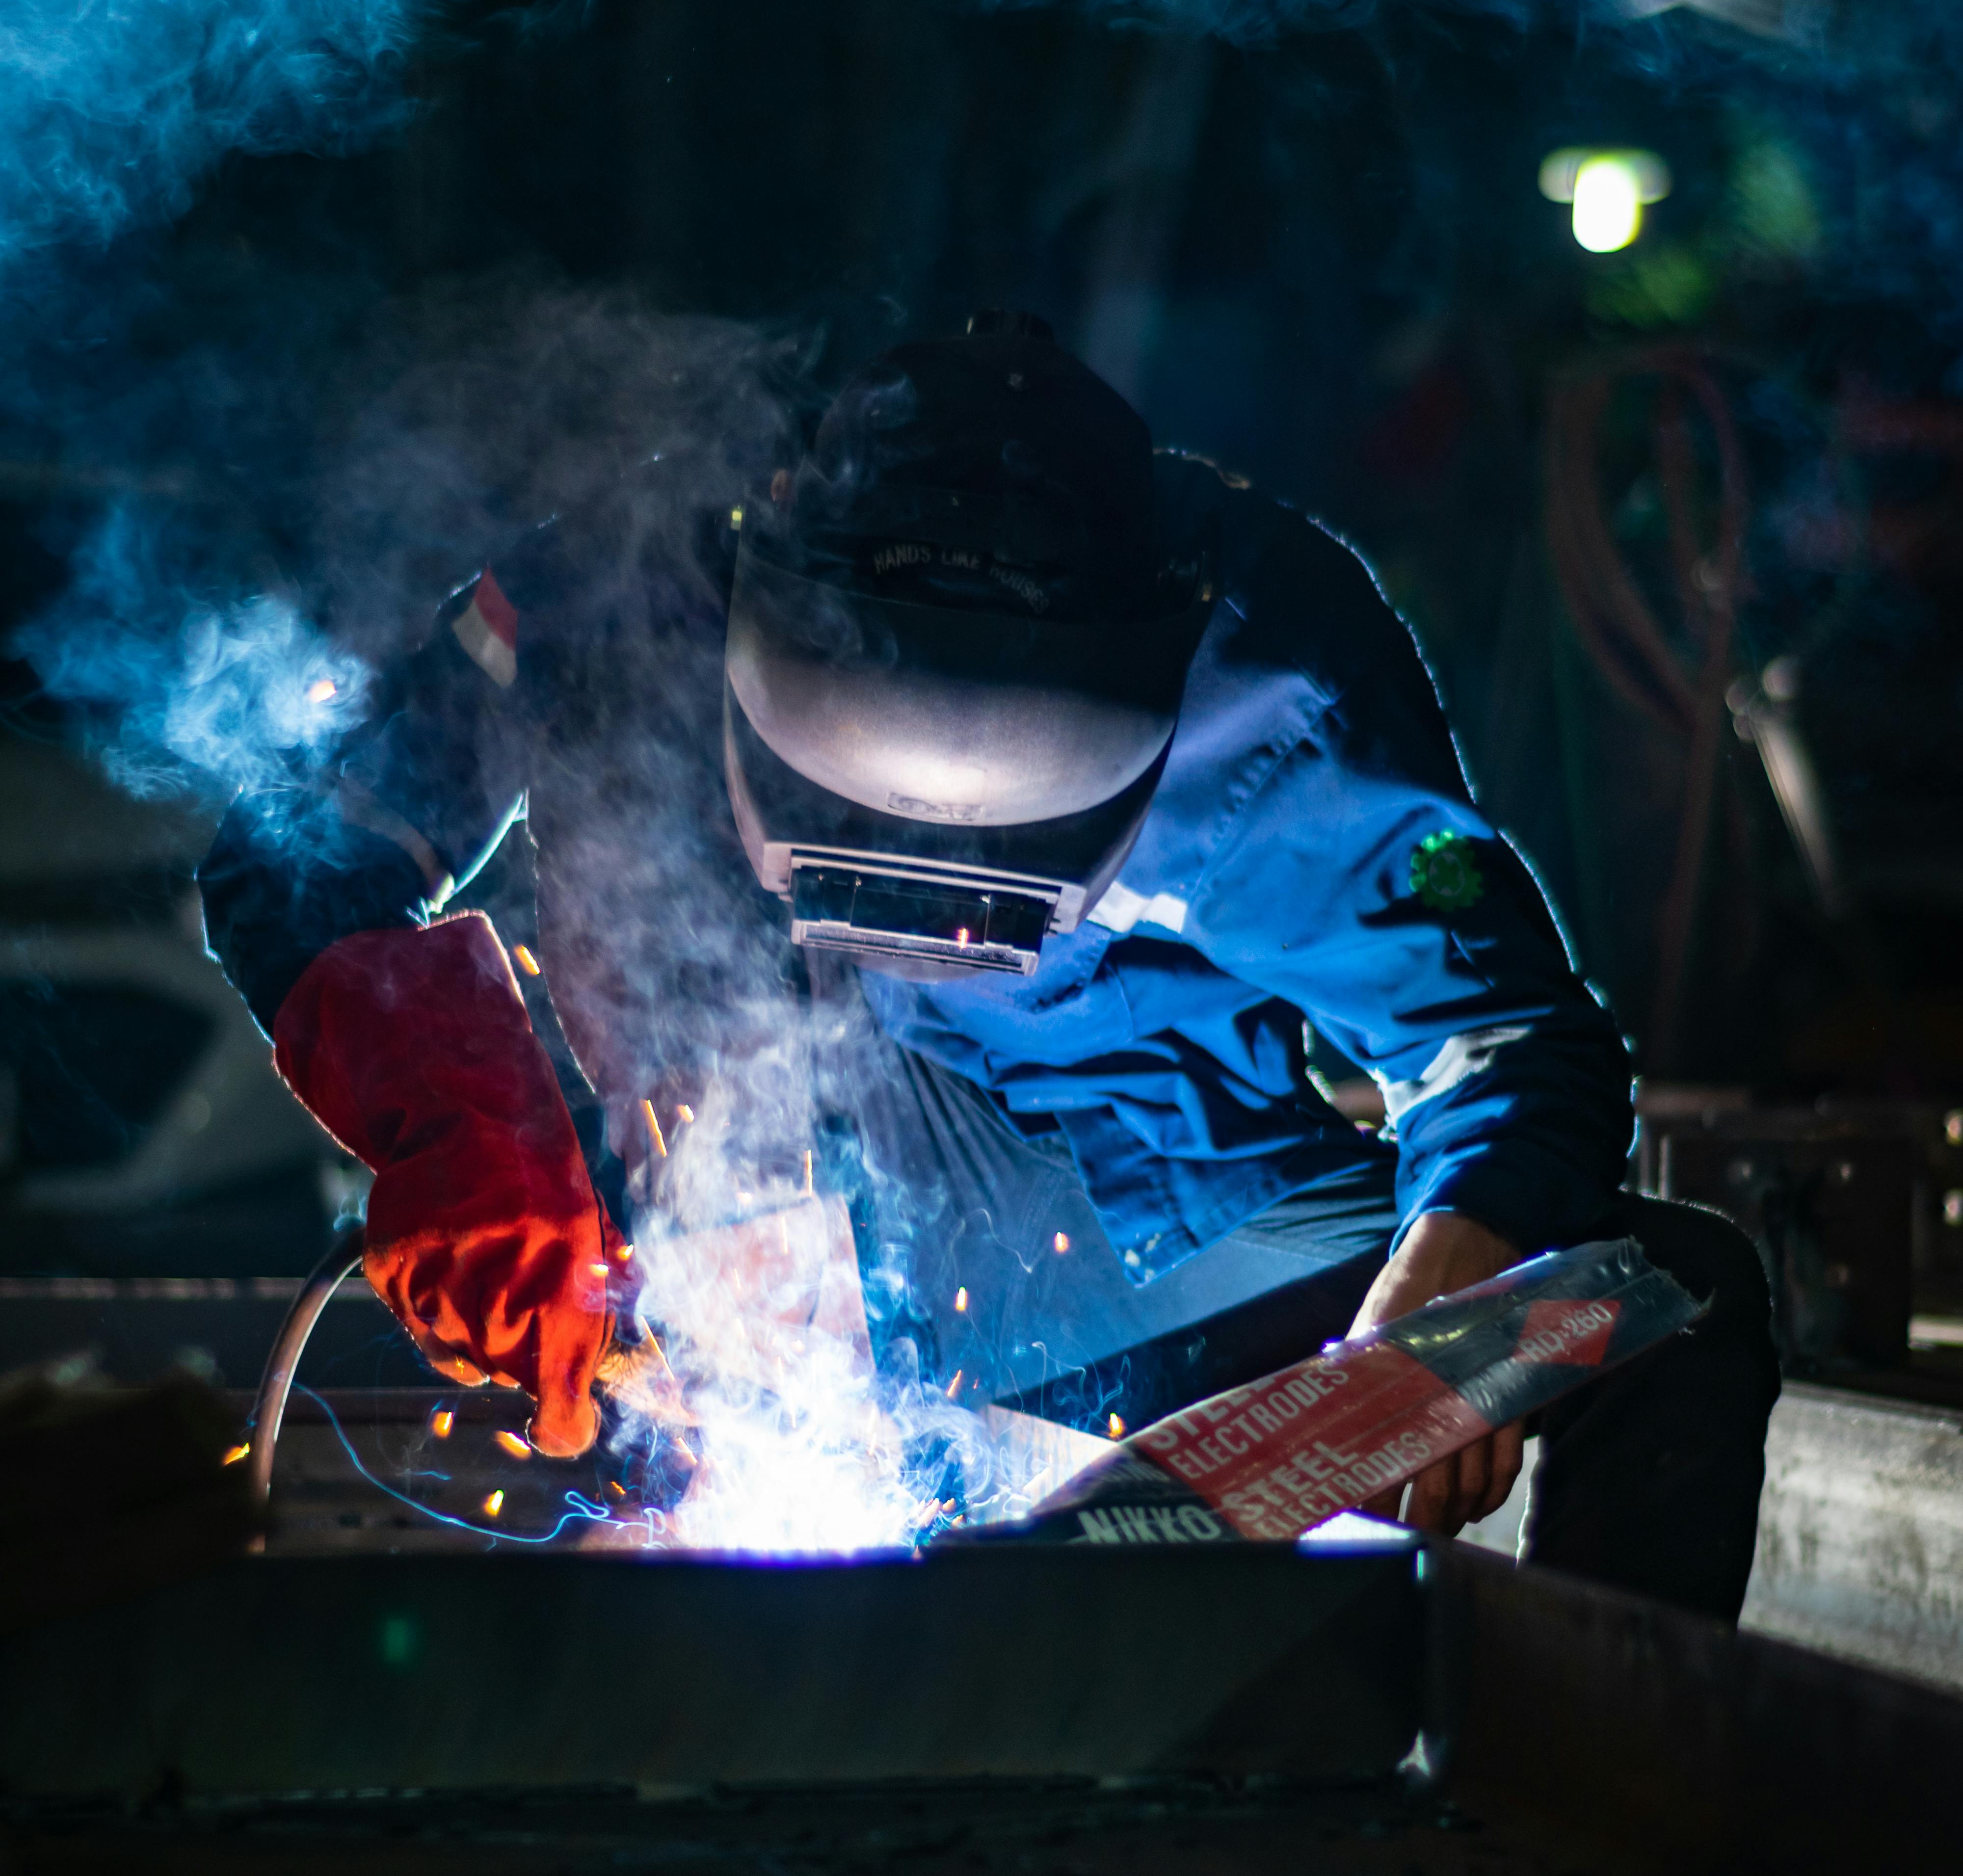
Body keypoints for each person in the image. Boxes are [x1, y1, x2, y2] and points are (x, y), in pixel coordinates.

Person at [199, 314, 1778, 1615]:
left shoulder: (1276, 677)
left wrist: (1461, 1261)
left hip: (1138, 1261)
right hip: (713, 1261)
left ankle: (1558, 1765)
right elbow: (294, 839)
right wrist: (462, 1133)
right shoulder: (622, 585)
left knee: (1667, 1296)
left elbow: (1507, 1038)